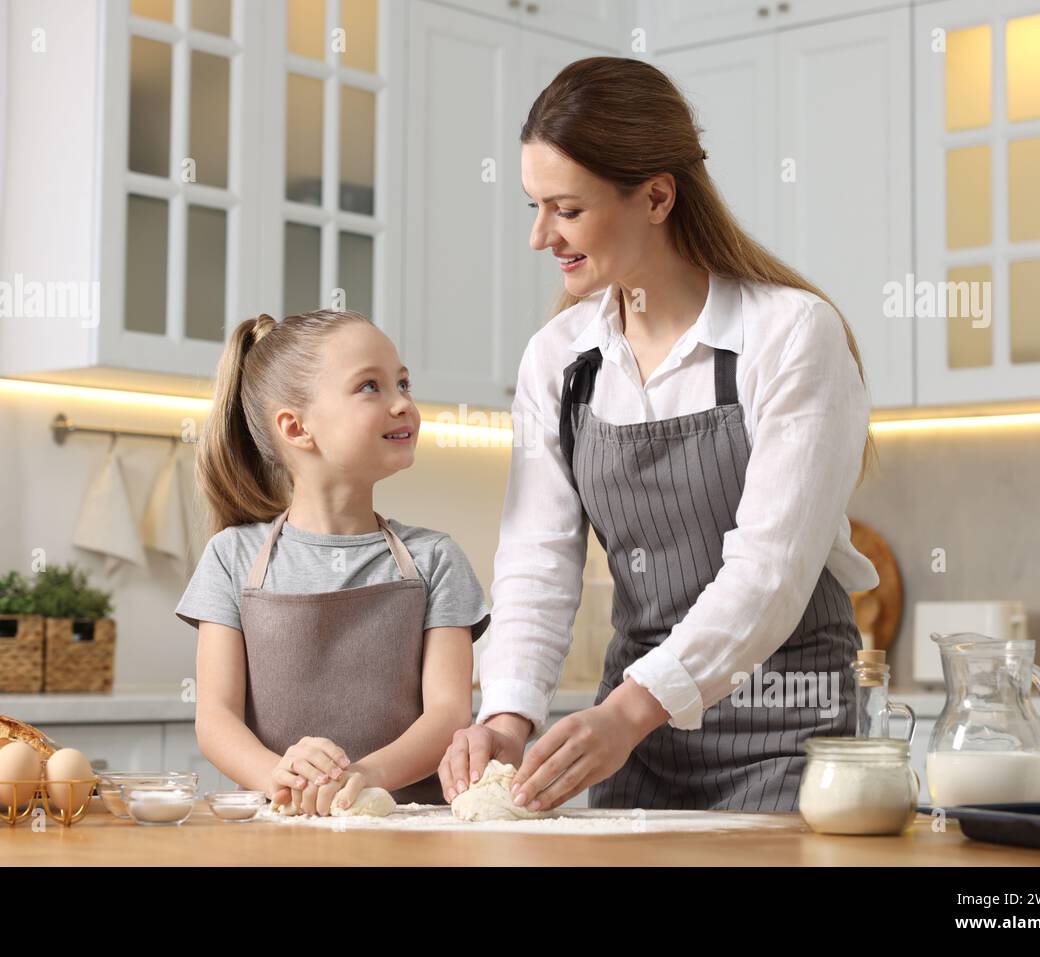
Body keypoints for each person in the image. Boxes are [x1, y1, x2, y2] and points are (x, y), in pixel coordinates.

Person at [439, 57, 880, 814]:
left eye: (566, 210)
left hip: (785, 736)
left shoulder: (790, 334)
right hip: (638, 746)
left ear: (655, 197)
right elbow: (537, 561)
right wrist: (507, 716)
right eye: (534, 206)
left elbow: (770, 573)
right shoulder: (560, 360)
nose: (541, 235)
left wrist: (627, 710)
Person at [177, 310, 490, 815]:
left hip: (409, 829)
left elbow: (449, 714)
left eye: (403, 383)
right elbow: (215, 720)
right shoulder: (232, 558)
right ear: (297, 427)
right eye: (371, 386)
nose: (402, 403)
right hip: (278, 824)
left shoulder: (436, 559)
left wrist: (365, 777)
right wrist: (276, 776)